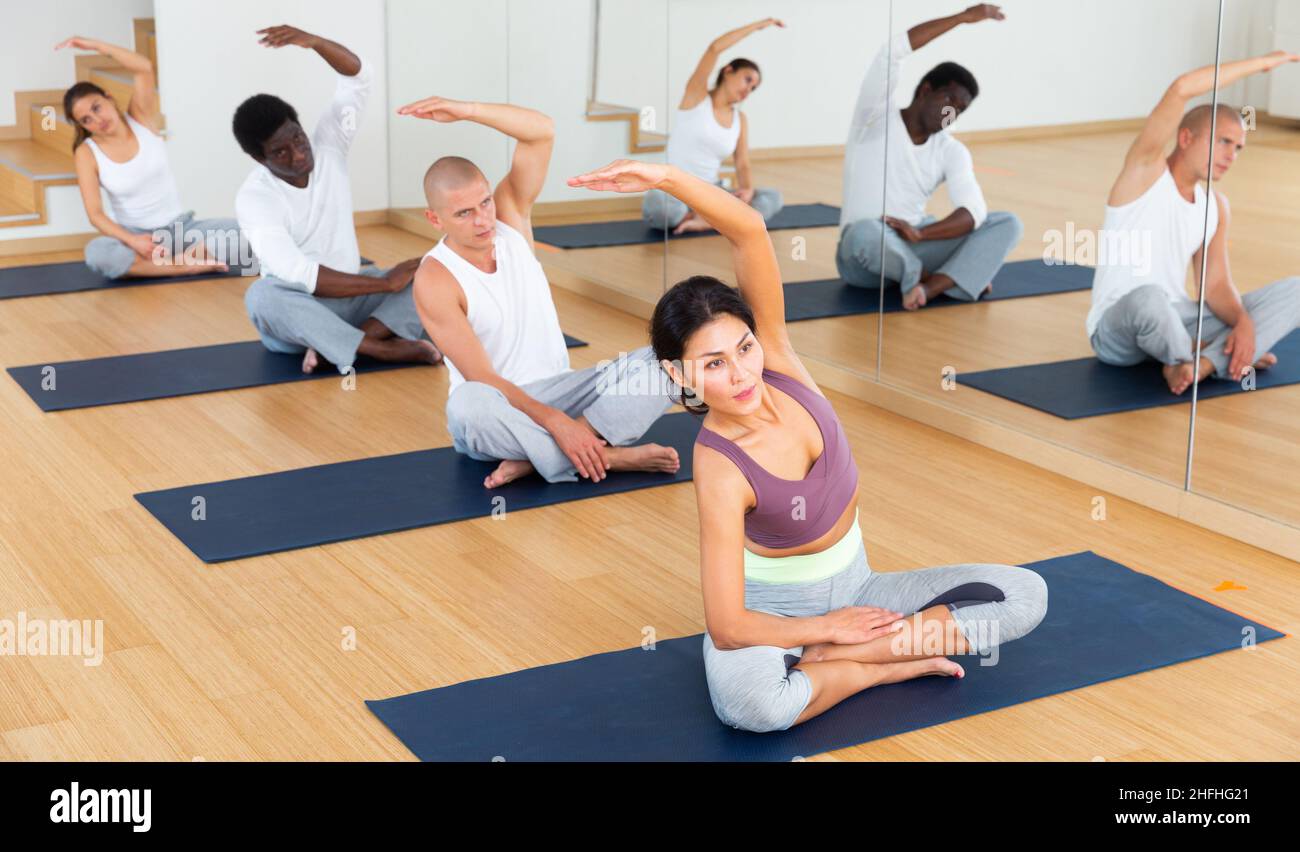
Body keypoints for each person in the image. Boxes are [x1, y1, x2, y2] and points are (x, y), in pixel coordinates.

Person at [571, 158, 1048, 733]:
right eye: (713, 364)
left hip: (864, 586)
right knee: (752, 708)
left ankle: (840, 666)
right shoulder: (719, 467)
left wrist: (666, 179)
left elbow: (748, 227)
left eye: (743, 348)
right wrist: (825, 630)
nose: (742, 374)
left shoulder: (780, 361)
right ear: (680, 376)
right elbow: (727, 625)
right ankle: (881, 668)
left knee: (1025, 594)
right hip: (774, 616)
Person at [400, 95, 679, 489]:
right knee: (466, 406)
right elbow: (481, 377)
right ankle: (607, 456)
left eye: (484, 203)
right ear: (435, 219)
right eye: (464, 213)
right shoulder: (435, 277)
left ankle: (538, 458)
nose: (482, 220)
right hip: (499, 408)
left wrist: (466, 112)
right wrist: (557, 424)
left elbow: (541, 131)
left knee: (672, 360)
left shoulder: (510, 217)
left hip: (563, 390)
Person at [1088, 50, 1300, 394]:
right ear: (1186, 138)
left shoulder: (1215, 204)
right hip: (1120, 327)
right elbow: (1182, 89)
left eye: (1239, 148)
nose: (1231, 156)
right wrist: (1264, 64)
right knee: (1149, 297)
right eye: (1224, 142)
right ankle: (1201, 354)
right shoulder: (1144, 174)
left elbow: (1214, 287)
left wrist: (1244, 324)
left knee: (1296, 290)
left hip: (1180, 320)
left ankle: (1201, 363)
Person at [233, 25, 441, 374]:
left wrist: (314, 43)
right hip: (300, 312)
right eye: (280, 152)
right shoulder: (255, 198)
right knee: (262, 297)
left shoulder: (329, 144)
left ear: (301, 127)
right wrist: (383, 284)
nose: (298, 155)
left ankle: (350, 344)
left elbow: (359, 78)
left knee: (432, 271)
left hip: (355, 297)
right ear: (260, 159)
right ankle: (381, 349)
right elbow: (294, 272)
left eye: (298, 139)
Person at [837, 5, 1022, 310]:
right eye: (949, 100)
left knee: (1007, 223)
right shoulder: (874, 118)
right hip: (865, 257)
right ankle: (937, 276)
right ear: (925, 90)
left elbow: (973, 211)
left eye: (960, 110)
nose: (952, 113)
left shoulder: (951, 150)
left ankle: (931, 287)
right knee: (863, 232)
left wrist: (921, 233)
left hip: (915, 242)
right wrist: (962, 18)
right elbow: (892, 51)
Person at [59, 36, 235, 279]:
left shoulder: (140, 117)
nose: (97, 120)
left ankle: (167, 263)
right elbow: (96, 215)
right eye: (86, 119)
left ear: (109, 97)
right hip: (136, 238)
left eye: (96, 107)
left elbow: (143, 67)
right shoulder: (87, 152)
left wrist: (97, 46)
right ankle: (183, 265)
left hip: (181, 231)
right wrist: (133, 240)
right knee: (98, 253)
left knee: (247, 231)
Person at [642, 17, 785, 234]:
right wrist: (757, 26)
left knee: (773, 198)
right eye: (747, 79)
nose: (749, 90)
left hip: (710, 193)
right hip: (675, 191)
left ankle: (704, 219)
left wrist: (746, 189)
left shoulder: (740, 120)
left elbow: (742, 163)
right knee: (661, 208)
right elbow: (714, 48)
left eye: (754, 87)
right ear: (728, 71)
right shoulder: (696, 97)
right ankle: (714, 218)